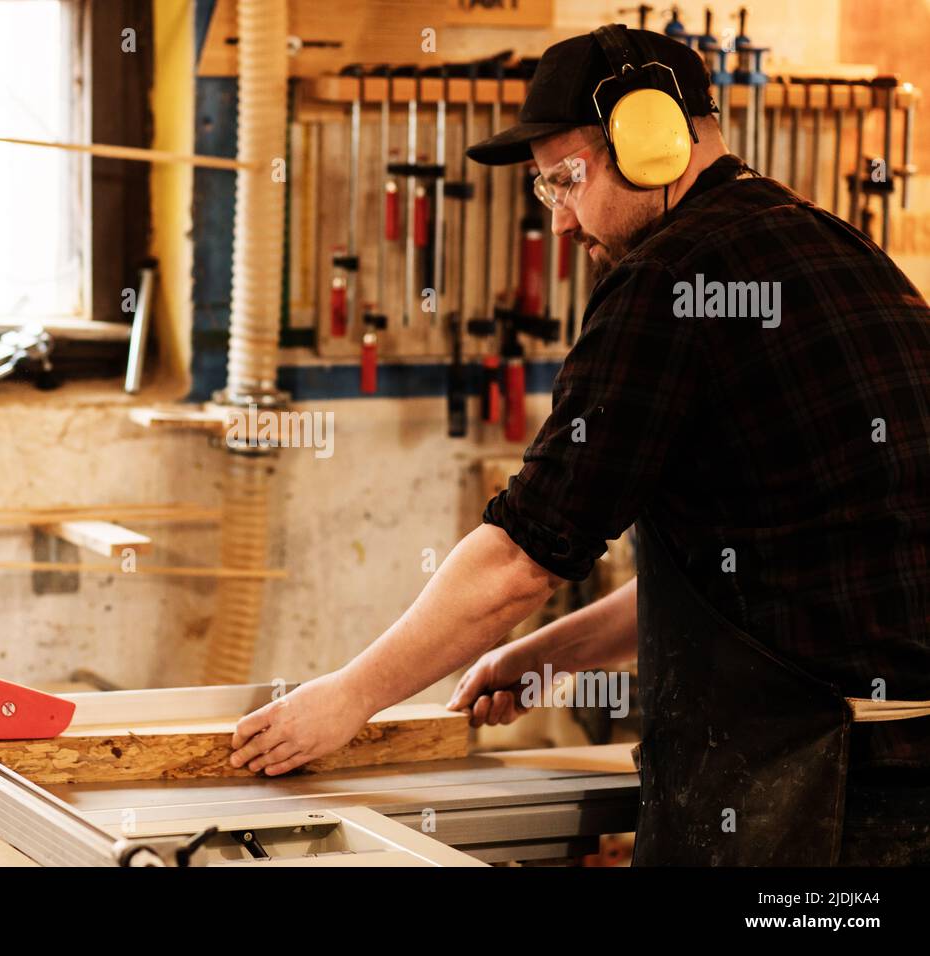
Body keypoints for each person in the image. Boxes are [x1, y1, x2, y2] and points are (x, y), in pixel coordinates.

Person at [228, 25, 930, 865]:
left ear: (653, 142)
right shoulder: (835, 243)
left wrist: (346, 699)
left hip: (816, 799)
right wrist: (554, 651)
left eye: (567, 180)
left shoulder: (668, 281)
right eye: (543, 190)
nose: (560, 223)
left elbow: (522, 557)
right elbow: (770, 569)